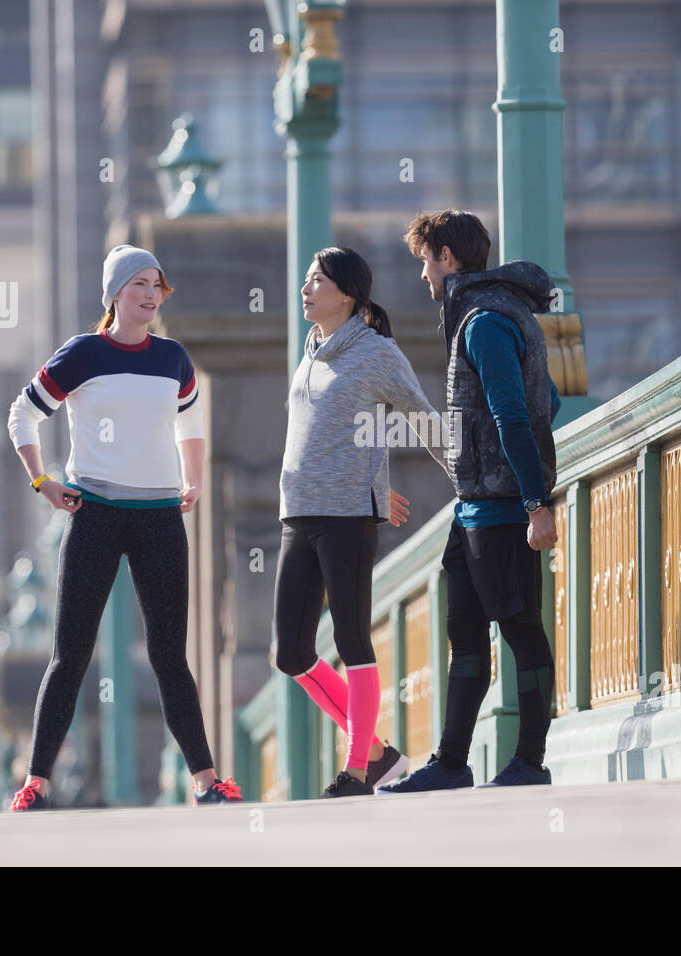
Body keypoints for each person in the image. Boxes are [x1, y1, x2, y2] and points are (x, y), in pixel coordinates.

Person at [5, 244, 240, 810]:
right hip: (95, 516)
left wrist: (194, 482)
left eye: (159, 285)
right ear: (114, 293)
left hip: (160, 516)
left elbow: (192, 422)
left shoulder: (174, 358)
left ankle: (207, 783)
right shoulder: (82, 354)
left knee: (169, 655)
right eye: (140, 284)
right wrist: (43, 482)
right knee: (71, 654)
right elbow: (23, 414)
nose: (152, 294)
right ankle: (36, 784)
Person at [380, 210, 561, 793]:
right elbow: (549, 399)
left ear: (448, 258)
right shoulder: (482, 315)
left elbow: (515, 412)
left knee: (522, 632)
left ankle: (530, 762)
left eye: (425, 262)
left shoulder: (484, 321)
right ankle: (452, 763)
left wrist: (536, 502)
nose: (423, 276)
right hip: (473, 506)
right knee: (465, 635)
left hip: (504, 506)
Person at [274, 246, 447, 798]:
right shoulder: (311, 353)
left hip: (347, 517)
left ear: (347, 293)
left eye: (316, 280)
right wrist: (379, 481)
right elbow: (338, 431)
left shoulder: (376, 352)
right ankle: (376, 753)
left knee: (351, 638)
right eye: (305, 279)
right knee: (292, 653)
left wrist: (474, 479)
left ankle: (356, 770)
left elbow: (421, 417)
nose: (305, 289)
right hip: (298, 514)